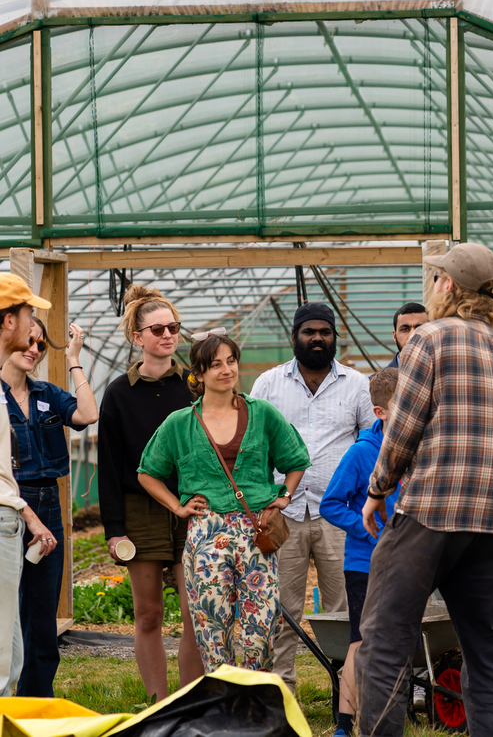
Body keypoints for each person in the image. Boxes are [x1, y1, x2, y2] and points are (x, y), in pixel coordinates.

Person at [355, 242, 493, 737]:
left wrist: (378, 490)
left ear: (447, 286)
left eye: (435, 278)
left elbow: (402, 430)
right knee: (489, 650)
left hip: (432, 514)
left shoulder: (429, 339)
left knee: (385, 639)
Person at [138, 331, 311, 673]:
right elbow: (148, 472)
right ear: (198, 375)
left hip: (257, 532)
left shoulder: (261, 413)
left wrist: (284, 497)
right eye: (215, 365)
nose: (226, 370)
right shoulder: (180, 423)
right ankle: (223, 706)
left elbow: (297, 459)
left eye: (230, 361)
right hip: (206, 532)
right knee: (211, 628)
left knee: (259, 628)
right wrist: (177, 507)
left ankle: (254, 706)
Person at [250, 302, 374, 692]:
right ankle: (280, 688)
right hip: (281, 514)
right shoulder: (268, 384)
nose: (318, 338)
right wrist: (264, 499)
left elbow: (374, 443)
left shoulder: (357, 385)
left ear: (335, 336)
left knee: (344, 611)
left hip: (339, 515)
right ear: (295, 337)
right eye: (309, 332)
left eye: (325, 331)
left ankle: (345, 689)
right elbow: (254, 446)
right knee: (282, 608)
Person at [97, 284, 204, 701]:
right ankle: (160, 705)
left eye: (173, 328)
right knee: (148, 614)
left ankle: (189, 703)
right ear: (137, 337)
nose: (167, 336)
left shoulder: (192, 386)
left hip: (193, 506)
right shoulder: (119, 394)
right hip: (140, 510)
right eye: (157, 329)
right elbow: (109, 465)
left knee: (195, 612)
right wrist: (114, 529)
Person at [1, 317, 98, 697]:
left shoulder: (47, 393)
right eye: (28, 341)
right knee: (6, 614)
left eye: (41, 344)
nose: (34, 350)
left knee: (41, 615)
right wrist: (27, 513)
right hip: (10, 505)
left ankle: (36, 700)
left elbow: (88, 415)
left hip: (49, 506)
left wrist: (74, 358)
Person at [319, 368, 400, 737]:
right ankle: (343, 724)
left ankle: (386, 714)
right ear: (380, 412)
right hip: (365, 563)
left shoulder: (420, 449)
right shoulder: (362, 452)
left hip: (410, 560)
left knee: (396, 640)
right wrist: (368, 530)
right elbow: (331, 504)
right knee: (360, 641)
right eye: (406, 404)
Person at [0, 274, 58, 697]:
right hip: (8, 513)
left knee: (12, 651)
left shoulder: (44, 392)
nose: (31, 325)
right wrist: (24, 511)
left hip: (17, 512)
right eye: (26, 314)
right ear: (7, 322)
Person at [386, 302, 428, 368]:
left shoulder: (446, 376)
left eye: (420, 328)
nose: (412, 336)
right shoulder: (377, 378)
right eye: (405, 329)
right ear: (394, 336)